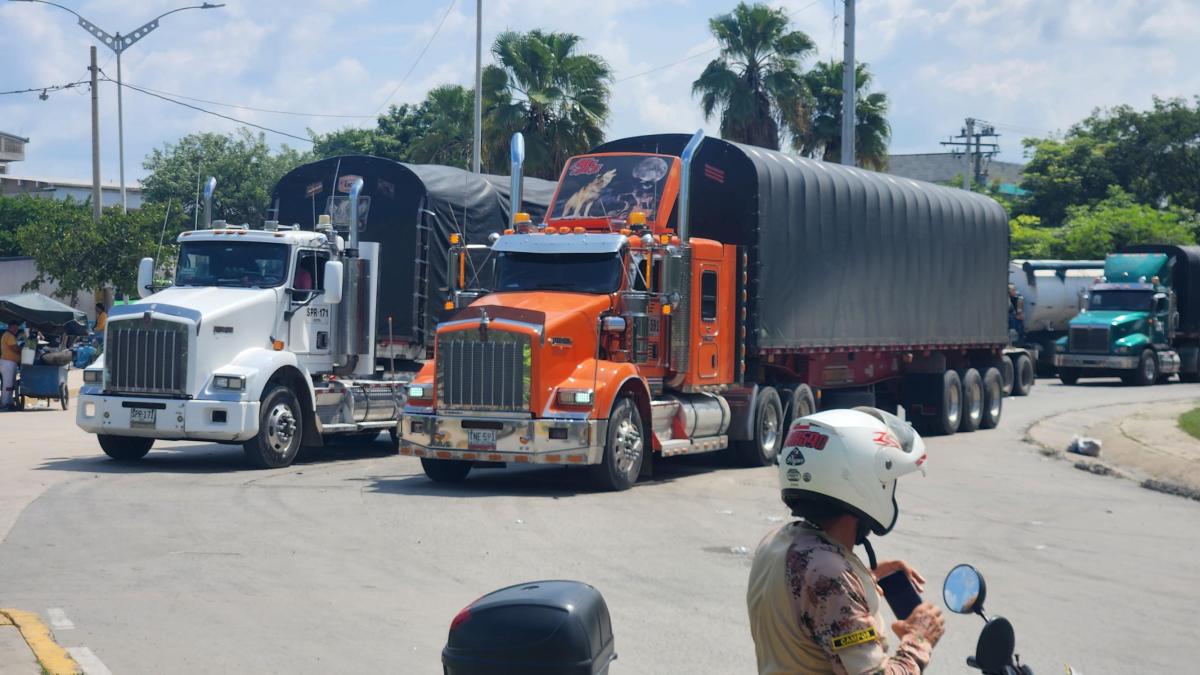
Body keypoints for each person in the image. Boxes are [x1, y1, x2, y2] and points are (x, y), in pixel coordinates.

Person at [747, 407, 944, 674]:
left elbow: (808, 598)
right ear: (865, 482)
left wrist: (865, 576)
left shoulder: (778, 543)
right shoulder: (830, 577)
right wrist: (919, 639)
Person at [1, 323, 20, 409]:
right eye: (14, 328)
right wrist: (23, 351)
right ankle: (5, 403)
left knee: (11, 384)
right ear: (9, 327)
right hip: (7, 362)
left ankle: (10, 402)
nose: (15, 330)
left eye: (16, 328)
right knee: (7, 384)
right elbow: (15, 348)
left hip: (11, 362)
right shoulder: (9, 335)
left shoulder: (10, 335)